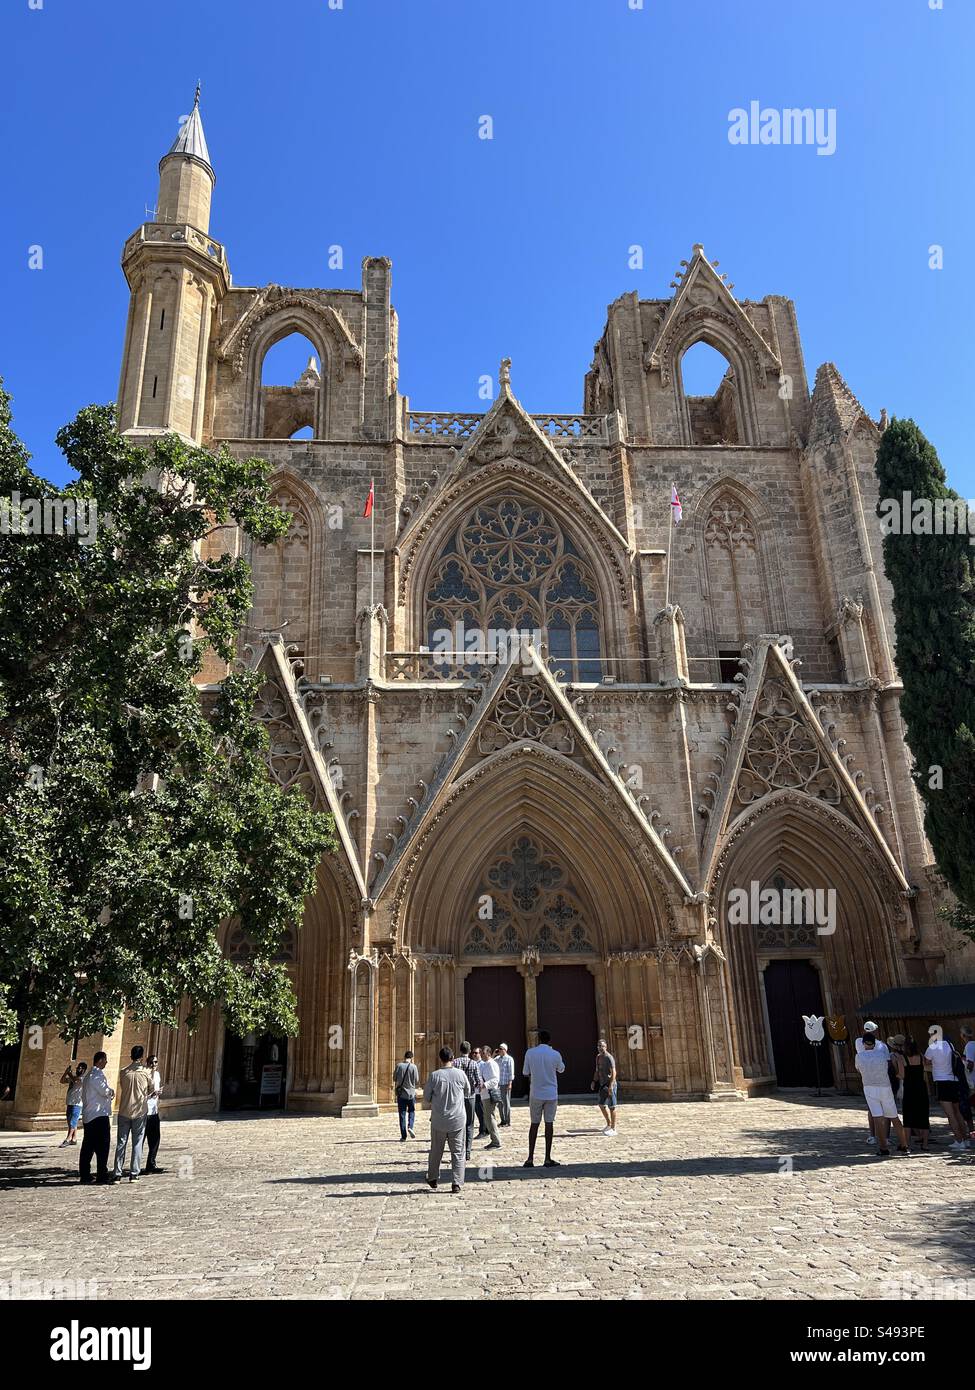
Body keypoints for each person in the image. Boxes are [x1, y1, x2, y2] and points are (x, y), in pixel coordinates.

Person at [423, 1047, 470, 1194]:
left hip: (439, 1120)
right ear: (453, 1058)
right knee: (458, 1152)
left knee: (436, 1151)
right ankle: (456, 1182)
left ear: (440, 1058)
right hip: (457, 1119)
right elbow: (468, 1091)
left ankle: (432, 1177)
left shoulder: (435, 1075)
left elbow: (426, 1097)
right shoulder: (461, 1074)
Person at [854, 1032, 908, 1156]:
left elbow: (858, 1069)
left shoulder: (859, 1056)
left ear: (863, 1044)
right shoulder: (882, 1055)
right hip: (884, 1086)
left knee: (878, 1118)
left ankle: (883, 1147)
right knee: (894, 1116)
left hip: (869, 1087)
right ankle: (904, 1145)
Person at [522, 1029, 565, 1168]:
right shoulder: (555, 1054)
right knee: (549, 1124)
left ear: (538, 1039)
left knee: (534, 1124)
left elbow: (525, 1072)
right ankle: (547, 1158)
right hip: (551, 1093)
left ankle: (530, 1158)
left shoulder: (530, 1053)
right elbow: (561, 1069)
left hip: (536, 1092)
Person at [924, 1026, 970, 1149]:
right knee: (957, 1112)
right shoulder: (950, 1045)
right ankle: (965, 1139)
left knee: (950, 1114)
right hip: (953, 1080)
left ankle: (959, 1141)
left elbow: (926, 1062)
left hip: (942, 1081)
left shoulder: (932, 1047)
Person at [114, 1045, 151, 1181]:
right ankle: (134, 1173)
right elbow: (151, 1088)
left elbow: (123, 1087)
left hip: (124, 1110)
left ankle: (117, 1173)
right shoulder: (146, 1072)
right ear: (141, 1057)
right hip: (139, 1111)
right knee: (137, 1142)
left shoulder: (123, 1072)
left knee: (121, 1143)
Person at [78, 1052, 115, 1185]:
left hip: (89, 1115)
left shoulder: (88, 1076)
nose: (106, 1062)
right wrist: (111, 1092)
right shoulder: (96, 1075)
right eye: (105, 1060)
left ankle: (85, 1174)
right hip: (98, 1115)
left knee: (88, 1147)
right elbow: (105, 1091)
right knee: (102, 1147)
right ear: (100, 1060)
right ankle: (102, 1175)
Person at [856, 1022, 889, 1144]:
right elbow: (887, 1062)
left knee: (872, 1109)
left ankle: (873, 1136)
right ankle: (885, 1137)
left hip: (868, 1080)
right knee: (885, 1110)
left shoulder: (859, 1042)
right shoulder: (882, 1046)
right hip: (882, 1080)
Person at [900, 1036, 930, 1151]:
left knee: (908, 1118)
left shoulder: (902, 1059)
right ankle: (925, 1144)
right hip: (921, 1089)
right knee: (924, 1117)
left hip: (909, 1090)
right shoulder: (921, 1057)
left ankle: (907, 1145)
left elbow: (902, 1075)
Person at [452, 1042, 481, 1160]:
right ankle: (468, 1152)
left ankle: (459, 1150)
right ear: (469, 1052)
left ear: (460, 1050)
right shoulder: (473, 1063)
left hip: (458, 1098)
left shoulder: (455, 1062)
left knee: (458, 1125)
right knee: (469, 1124)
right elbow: (479, 1081)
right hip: (470, 1097)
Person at [592, 1039, 618, 1136]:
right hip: (603, 1084)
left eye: (602, 1046)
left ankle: (613, 1128)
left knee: (612, 1106)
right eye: (598, 1046)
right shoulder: (598, 1057)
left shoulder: (609, 1058)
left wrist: (611, 1086)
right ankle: (608, 1124)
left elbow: (614, 1072)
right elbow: (597, 1070)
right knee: (601, 1104)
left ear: (606, 1046)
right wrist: (594, 1081)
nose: (600, 1048)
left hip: (610, 1084)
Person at [393, 1050, 420, 1142]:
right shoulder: (414, 1067)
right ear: (411, 1058)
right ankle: (410, 1126)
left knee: (402, 1114)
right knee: (412, 1111)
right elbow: (416, 1080)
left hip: (401, 1094)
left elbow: (394, 1078)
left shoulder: (399, 1066)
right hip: (411, 1094)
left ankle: (403, 1136)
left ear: (404, 1057)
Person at [143, 1054, 164, 1173]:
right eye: (151, 1062)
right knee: (141, 1140)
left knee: (155, 1139)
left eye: (155, 1062)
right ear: (147, 1063)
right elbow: (140, 1094)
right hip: (144, 1111)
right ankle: (135, 1166)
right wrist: (151, 1094)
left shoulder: (157, 1075)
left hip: (154, 1110)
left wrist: (158, 1092)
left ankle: (151, 1164)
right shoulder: (144, 1075)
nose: (154, 1065)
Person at [479, 1044, 502, 1149]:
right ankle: (494, 1139)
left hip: (489, 1094)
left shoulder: (492, 1064)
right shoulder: (485, 1064)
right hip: (485, 1094)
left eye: (483, 1053)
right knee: (488, 1118)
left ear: (488, 1053)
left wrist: (485, 1085)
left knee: (490, 1118)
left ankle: (496, 1141)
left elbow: (495, 1080)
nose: (481, 1055)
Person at [60, 1061, 87, 1147]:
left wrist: (69, 1073)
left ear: (84, 1070)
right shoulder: (73, 1078)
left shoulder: (83, 1079)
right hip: (70, 1102)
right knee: (70, 1121)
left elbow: (75, 1081)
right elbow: (62, 1081)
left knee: (73, 1121)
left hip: (77, 1103)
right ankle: (74, 1138)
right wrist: (66, 1073)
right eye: (78, 1068)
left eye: (80, 1068)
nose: (78, 1069)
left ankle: (67, 1139)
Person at [496, 1042, 515, 1127]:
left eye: (500, 1049)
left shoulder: (509, 1059)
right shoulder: (497, 1058)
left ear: (505, 1050)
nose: (499, 1050)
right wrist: (494, 1053)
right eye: (499, 1049)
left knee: (506, 1102)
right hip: (499, 1084)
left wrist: (510, 1083)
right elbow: (490, 1061)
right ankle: (502, 1120)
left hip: (506, 1083)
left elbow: (511, 1071)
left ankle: (507, 1120)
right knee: (500, 1103)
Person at [471, 1046, 486, 1137]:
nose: (474, 1054)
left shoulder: (483, 1064)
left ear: (480, 1054)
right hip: (474, 1091)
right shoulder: (472, 1063)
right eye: (473, 1053)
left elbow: (484, 1077)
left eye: (476, 1053)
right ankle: (485, 1129)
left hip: (480, 1091)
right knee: (478, 1111)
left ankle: (483, 1130)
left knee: (481, 1111)